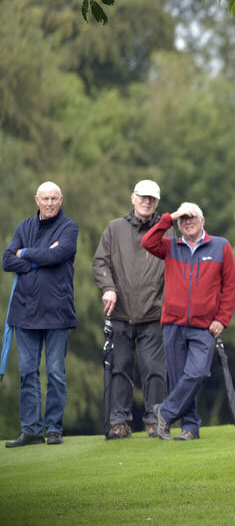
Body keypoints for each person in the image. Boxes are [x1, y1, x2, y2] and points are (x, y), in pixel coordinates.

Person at [142, 202, 235, 441]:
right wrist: (170, 217)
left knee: (197, 372)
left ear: (203, 221)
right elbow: (147, 242)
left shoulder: (220, 246)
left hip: (205, 325)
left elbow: (230, 287)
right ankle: (190, 427)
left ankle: (164, 412)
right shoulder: (170, 246)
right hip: (172, 323)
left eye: (192, 217)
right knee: (179, 380)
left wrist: (223, 319)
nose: (187, 222)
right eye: (183, 219)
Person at [3, 182, 78, 448]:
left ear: (61, 199)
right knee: (27, 374)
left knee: (56, 373)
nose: (49, 203)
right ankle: (32, 430)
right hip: (24, 313)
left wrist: (27, 254)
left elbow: (60, 254)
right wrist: (41, 256)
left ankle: (54, 429)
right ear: (36, 199)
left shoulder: (69, 227)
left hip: (57, 312)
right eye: (45, 199)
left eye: (54, 198)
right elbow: (7, 260)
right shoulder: (24, 227)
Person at [93, 179, 170, 439]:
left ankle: (155, 420)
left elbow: (177, 269)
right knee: (119, 369)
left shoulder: (166, 232)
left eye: (152, 198)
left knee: (155, 370)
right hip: (120, 314)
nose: (147, 201)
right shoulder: (115, 229)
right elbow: (100, 262)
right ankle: (119, 422)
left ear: (157, 202)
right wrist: (108, 288)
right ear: (133, 198)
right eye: (143, 197)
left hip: (154, 314)